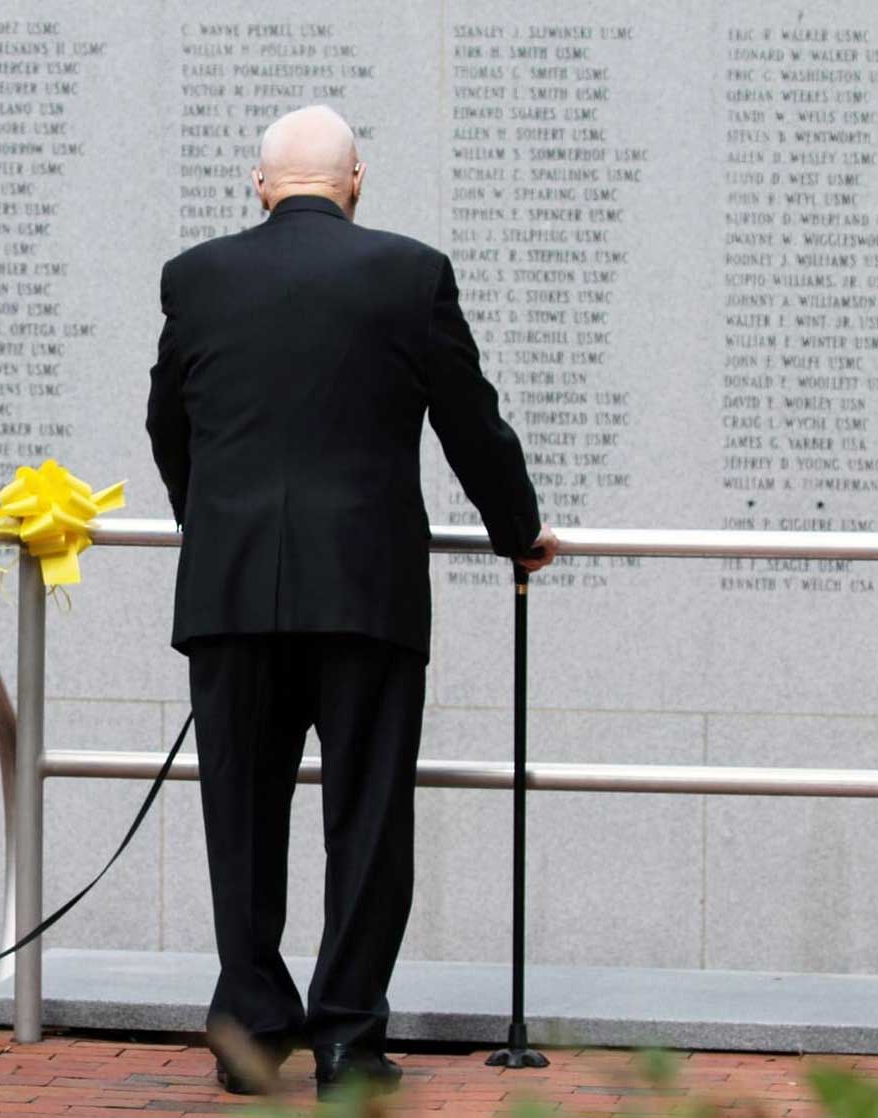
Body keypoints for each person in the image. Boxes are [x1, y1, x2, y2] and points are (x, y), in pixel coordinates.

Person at [146, 105, 558, 1099]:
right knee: (367, 814)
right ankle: (346, 1040)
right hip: (366, 586)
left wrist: (215, 531)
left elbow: (169, 424)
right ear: (357, 180)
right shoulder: (408, 273)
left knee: (240, 814)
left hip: (233, 589)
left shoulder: (196, 277)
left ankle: (249, 1027)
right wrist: (518, 531)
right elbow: (472, 422)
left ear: (259, 183)